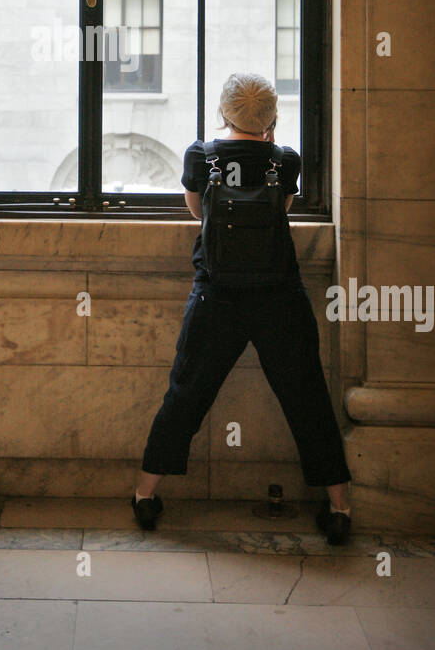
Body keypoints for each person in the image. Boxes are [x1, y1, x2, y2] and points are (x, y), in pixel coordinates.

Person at [132, 72, 353, 545]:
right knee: (307, 396)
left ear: (223, 111)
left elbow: (198, 212)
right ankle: (339, 507)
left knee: (187, 391)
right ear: (271, 117)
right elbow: (283, 209)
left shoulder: (200, 156)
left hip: (218, 295)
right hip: (279, 296)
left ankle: (146, 494)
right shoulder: (285, 160)